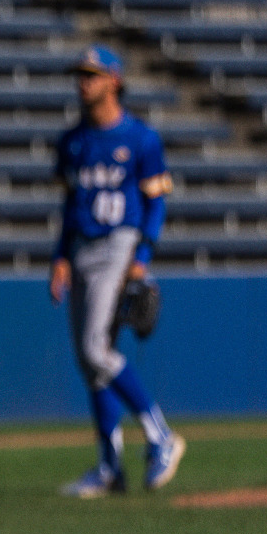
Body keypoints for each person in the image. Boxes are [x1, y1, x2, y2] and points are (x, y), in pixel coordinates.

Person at [52, 45, 185, 497]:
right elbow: (69, 206)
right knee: (91, 365)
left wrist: (142, 256)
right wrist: (59, 257)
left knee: (95, 348)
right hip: (82, 247)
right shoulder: (72, 141)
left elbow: (157, 202)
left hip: (119, 244)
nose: (83, 83)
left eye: (91, 75)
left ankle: (159, 434)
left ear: (114, 80)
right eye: (80, 75)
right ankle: (110, 467)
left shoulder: (141, 139)